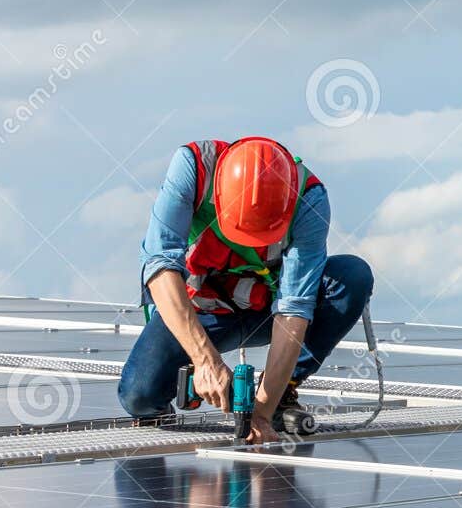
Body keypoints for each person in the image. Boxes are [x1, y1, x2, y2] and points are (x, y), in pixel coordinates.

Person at [117, 136, 373, 443]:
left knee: (351, 276)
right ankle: (160, 416)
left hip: (265, 310)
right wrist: (204, 360)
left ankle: (283, 390)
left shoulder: (308, 198)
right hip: (201, 311)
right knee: (139, 395)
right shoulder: (192, 168)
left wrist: (262, 413)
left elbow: (294, 307)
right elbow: (160, 267)